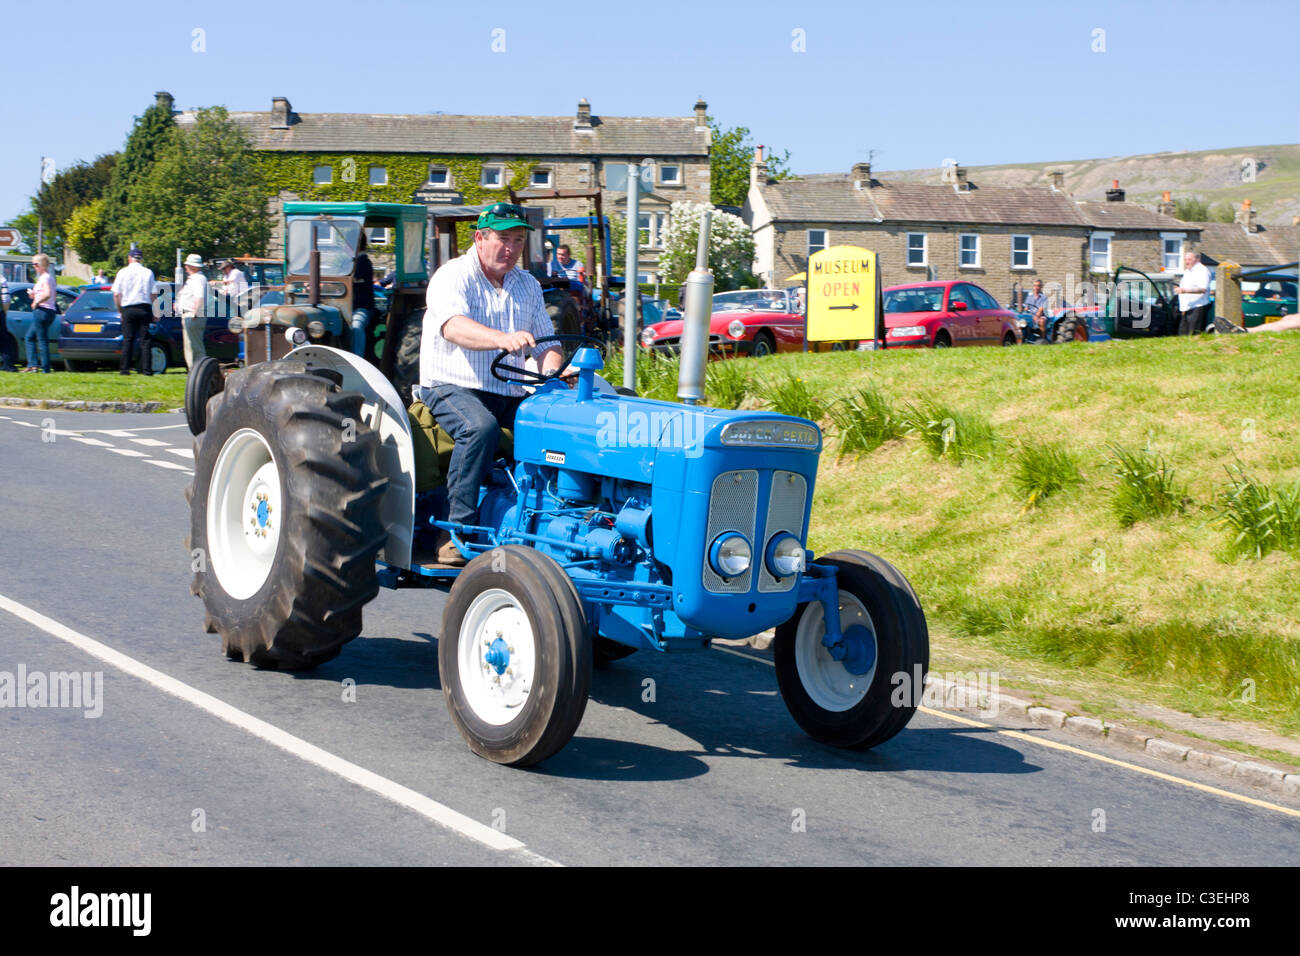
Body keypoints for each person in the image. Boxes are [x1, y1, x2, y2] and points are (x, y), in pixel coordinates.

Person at [416, 202, 563, 566]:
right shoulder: (454, 276)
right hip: (451, 385)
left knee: (559, 426)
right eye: (502, 239)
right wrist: (503, 338)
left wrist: (553, 373)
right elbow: (453, 327)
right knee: (479, 428)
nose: (510, 249)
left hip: (509, 389)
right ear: (480, 238)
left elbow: (548, 344)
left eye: (517, 240)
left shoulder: (527, 284)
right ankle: (454, 532)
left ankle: (547, 524)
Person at [112, 245, 159, 375]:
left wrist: (120, 310)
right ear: (140, 259)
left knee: (128, 339)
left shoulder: (122, 272)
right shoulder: (148, 272)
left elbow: (116, 294)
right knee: (145, 340)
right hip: (144, 308)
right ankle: (147, 370)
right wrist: (156, 312)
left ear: (129, 259)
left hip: (128, 308)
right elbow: (153, 294)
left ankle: (125, 369)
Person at [25, 253, 58, 373]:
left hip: (42, 310)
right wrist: (33, 294)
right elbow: (52, 295)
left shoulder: (45, 277)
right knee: (30, 337)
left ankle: (45, 368)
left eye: (34, 264)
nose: (33, 267)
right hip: (48, 311)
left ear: (40, 265)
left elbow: (48, 294)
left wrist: (36, 302)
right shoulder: (48, 278)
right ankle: (33, 365)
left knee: (41, 339)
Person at [177, 253, 209, 369]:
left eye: (188, 265)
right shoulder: (195, 279)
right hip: (189, 314)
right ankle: (194, 371)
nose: (186, 267)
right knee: (190, 346)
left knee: (195, 346)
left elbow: (199, 297)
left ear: (193, 266)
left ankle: (198, 371)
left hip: (193, 314)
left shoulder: (198, 279)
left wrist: (195, 313)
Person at [1175, 251, 1212, 335]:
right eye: (1185, 259)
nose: (1187, 262)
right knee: (1183, 335)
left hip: (1198, 307)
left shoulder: (1202, 270)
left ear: (1197, 259)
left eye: (1189, 259)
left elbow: (1203, 289)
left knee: (1194, 335)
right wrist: (1184, 308)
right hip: (1188, 308)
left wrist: (1184, 291)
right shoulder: (1188, 271)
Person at [351, 232, 375, 356]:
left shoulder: (364, 262)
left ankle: (357, 359)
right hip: (347, 308)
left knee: (356, 325)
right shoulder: (349, 263)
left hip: (362, 307)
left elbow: (351, 278)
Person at [0, 275, 15, 372]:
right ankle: (8, 365)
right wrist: (4, 313)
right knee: (4, 341)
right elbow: (6, 299)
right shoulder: (1, 279)